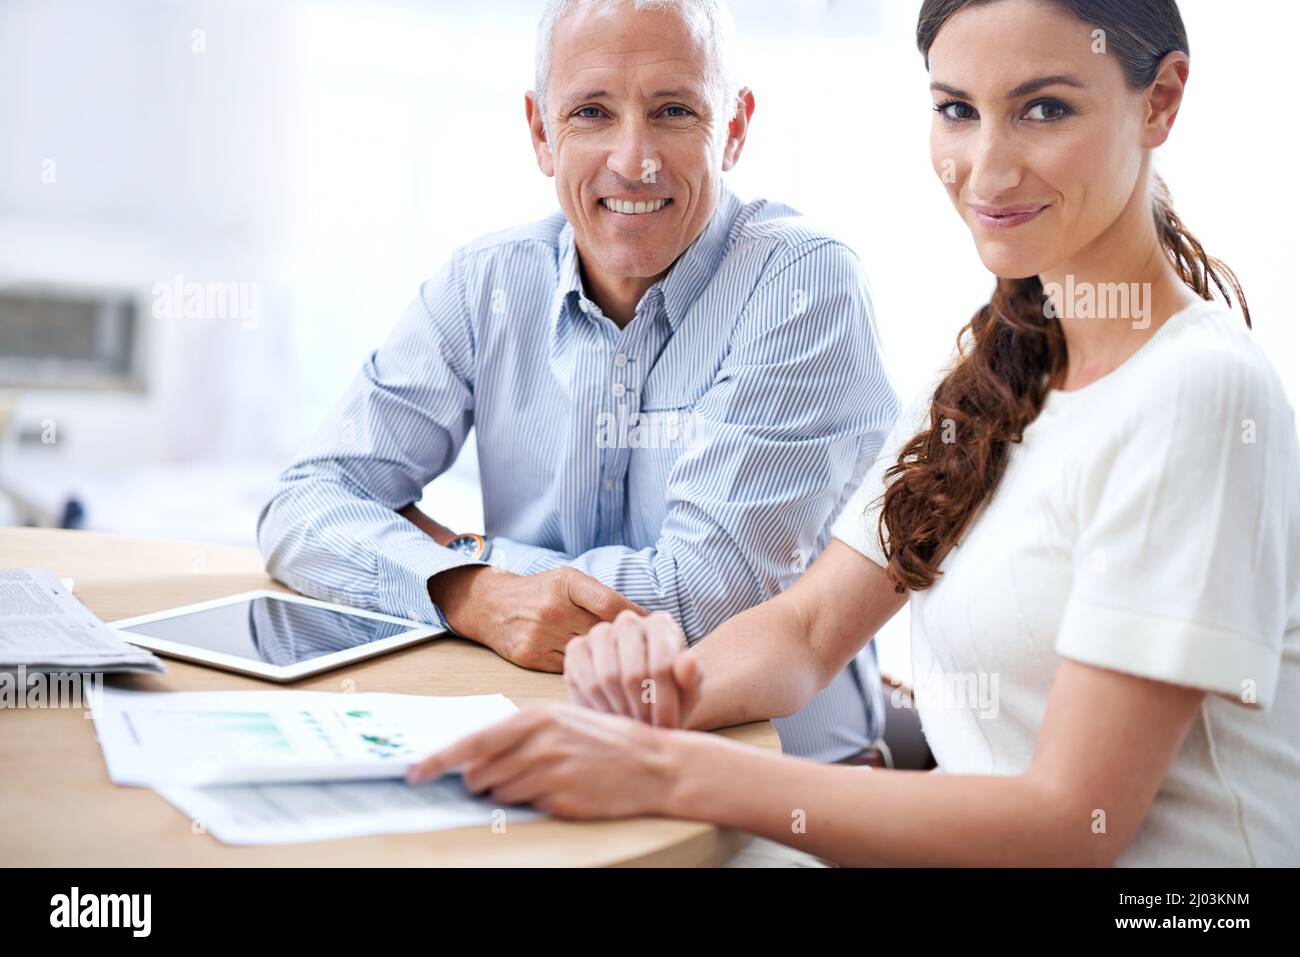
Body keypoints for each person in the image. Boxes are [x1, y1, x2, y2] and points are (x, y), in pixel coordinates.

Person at [407, 0, 1300, 866]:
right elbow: (805, 629)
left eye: (1044, 109)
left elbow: (1072, 823)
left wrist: (667, 767)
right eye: (957, 110)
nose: (986, 168)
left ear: (1163, 100)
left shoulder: (1197, 394)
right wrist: (645, 700)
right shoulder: (995, 367)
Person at [257, 0, 900, 763]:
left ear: (732, 128)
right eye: (592, 111)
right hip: (558, 759)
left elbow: (699, 604)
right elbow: (302, 505)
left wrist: (457, 549)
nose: (634, 160)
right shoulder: (484, 284)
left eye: (673, 111)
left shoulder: (803, 283)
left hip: (775, 788)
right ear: (540, 132)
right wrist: (467, 589)